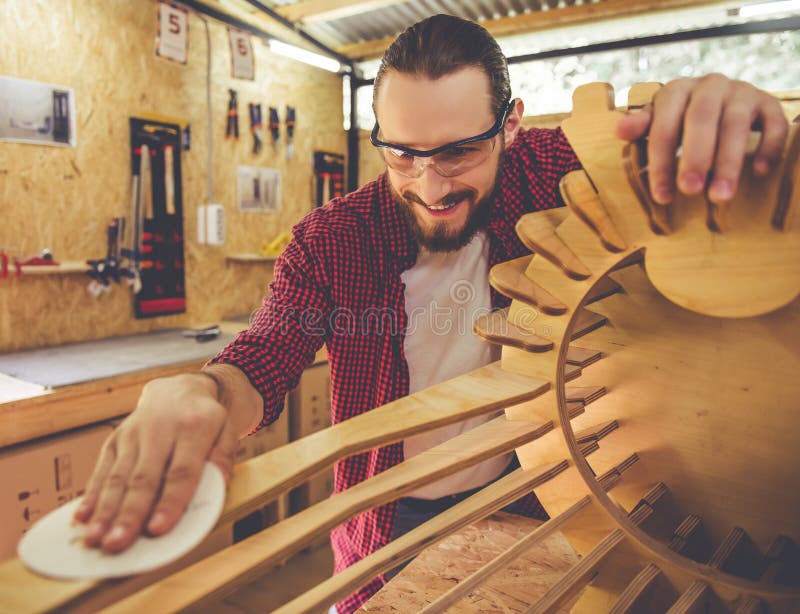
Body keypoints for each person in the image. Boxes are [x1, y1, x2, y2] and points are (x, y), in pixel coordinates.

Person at [74, 14, 788, 614]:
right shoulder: (334, 240)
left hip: (535, 496)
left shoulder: (553, 174)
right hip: (384, 524)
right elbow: (264, 355)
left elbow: (655, 148)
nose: (431, 185)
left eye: (460, 153)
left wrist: (714, 109)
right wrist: (199, 391)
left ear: (510, 125)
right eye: (402, 154)